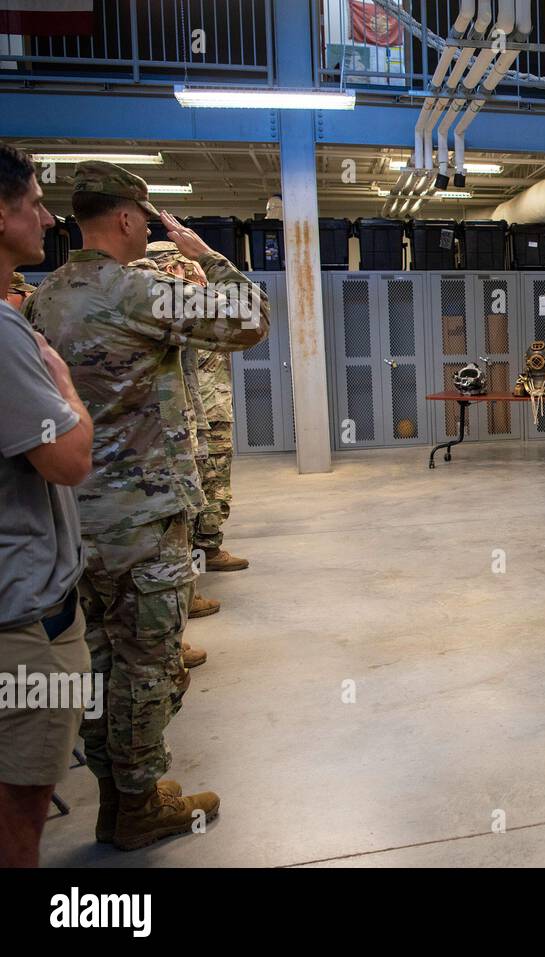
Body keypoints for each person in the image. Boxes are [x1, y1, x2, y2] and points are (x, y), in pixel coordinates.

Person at [25, 161, 268, 850]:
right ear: (130, 218)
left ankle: (114, 796)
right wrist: (206, 256)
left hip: (75, 521)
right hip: (140, 517)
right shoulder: (136, 292)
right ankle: (139, 801)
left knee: (100, 660)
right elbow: (250, 320)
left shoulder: (48, 297)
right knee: (151, 666)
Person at [0, 146, 94, 867]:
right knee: (20, 806)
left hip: (31, 601)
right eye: (32, 201)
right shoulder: (5, 336)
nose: (45, 215)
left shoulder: (23, 310)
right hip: (19, 615)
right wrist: (65, 388)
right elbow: (68, 458)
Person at [135, 242, 221, 632]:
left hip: (185, 421)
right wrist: (208, 263)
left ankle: (181, 600)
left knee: (186, 514)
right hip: (157, 442)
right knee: (167, 529)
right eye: (179, 269)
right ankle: (171, 621)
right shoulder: (151, 303)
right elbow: (248, 315)